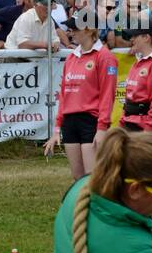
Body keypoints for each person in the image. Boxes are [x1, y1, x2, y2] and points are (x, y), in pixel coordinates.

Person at [43, 19, 118, 180]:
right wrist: (57, 129)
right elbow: (64, 95)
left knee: (93, 178)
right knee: (78, 178)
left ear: (90, 30)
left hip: (90, 121)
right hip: (70, 122)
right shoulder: (72, 57)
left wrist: (102, 128)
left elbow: (107, 95)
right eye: (70, 28)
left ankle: (97, 205)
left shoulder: (104, 57)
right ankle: (83, 205)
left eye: (75, 28)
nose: (71, 31)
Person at [120, 25, 152, 135]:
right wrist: (122, 122)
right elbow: (129, 99)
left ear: (146, 37)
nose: (131, 39)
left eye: (135, 36)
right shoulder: (137, 63)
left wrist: (148, 130)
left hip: (146, 130)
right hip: (130, 126)